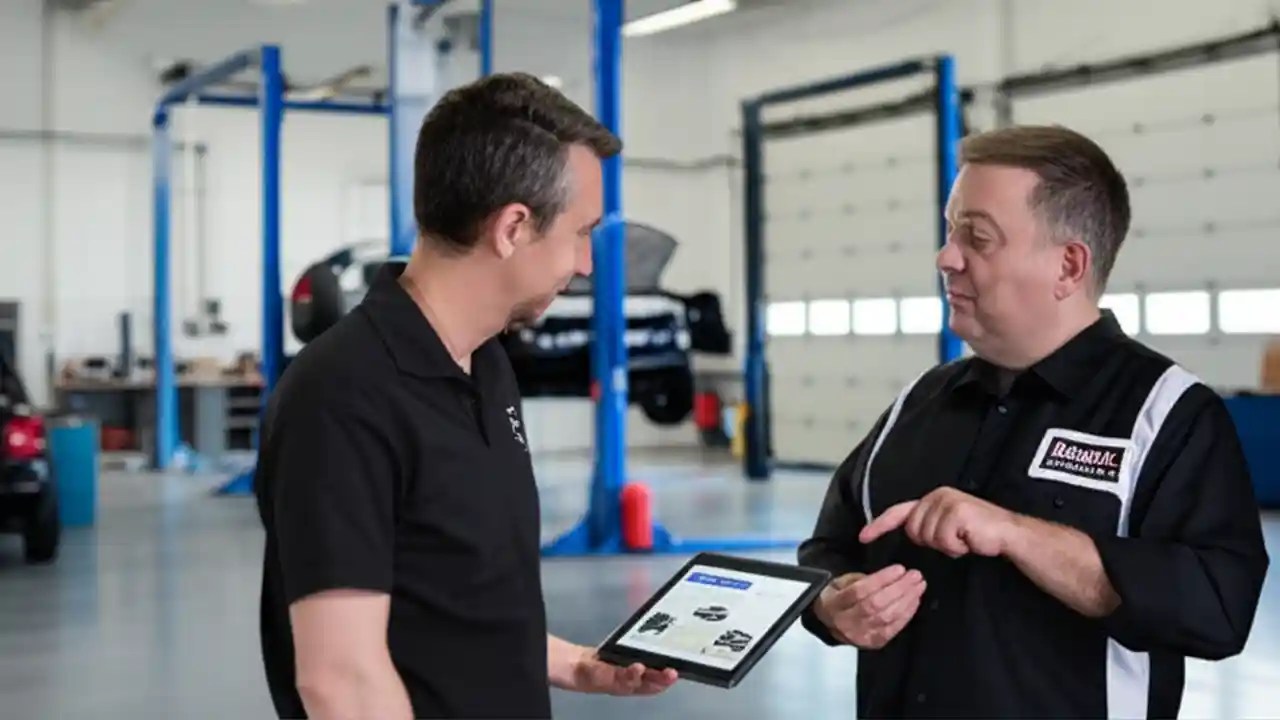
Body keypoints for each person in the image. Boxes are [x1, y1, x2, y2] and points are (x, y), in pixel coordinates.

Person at [797, 124, 1270, 719]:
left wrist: (1017, 534)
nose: (946, 257)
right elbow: (829, 548)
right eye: (950, 230)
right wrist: (833, 602)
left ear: (1068, 265)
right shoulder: (920, 402)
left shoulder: (1167, 415)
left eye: (977, 237)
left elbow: (1219, 610)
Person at [254, 72, 678, 720]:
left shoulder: (487, 365)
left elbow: (455, 602)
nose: (586, 264)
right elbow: (342, 682)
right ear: (512, 228)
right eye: (581, 233)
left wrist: (575, 663)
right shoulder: (343, 396)